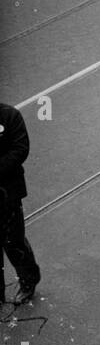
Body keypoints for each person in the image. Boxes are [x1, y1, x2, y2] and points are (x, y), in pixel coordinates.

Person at [0, 100, 42, 306]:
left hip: (7, 192)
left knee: (13, 241)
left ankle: (28, 282)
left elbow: (20, 149)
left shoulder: (9, 115)